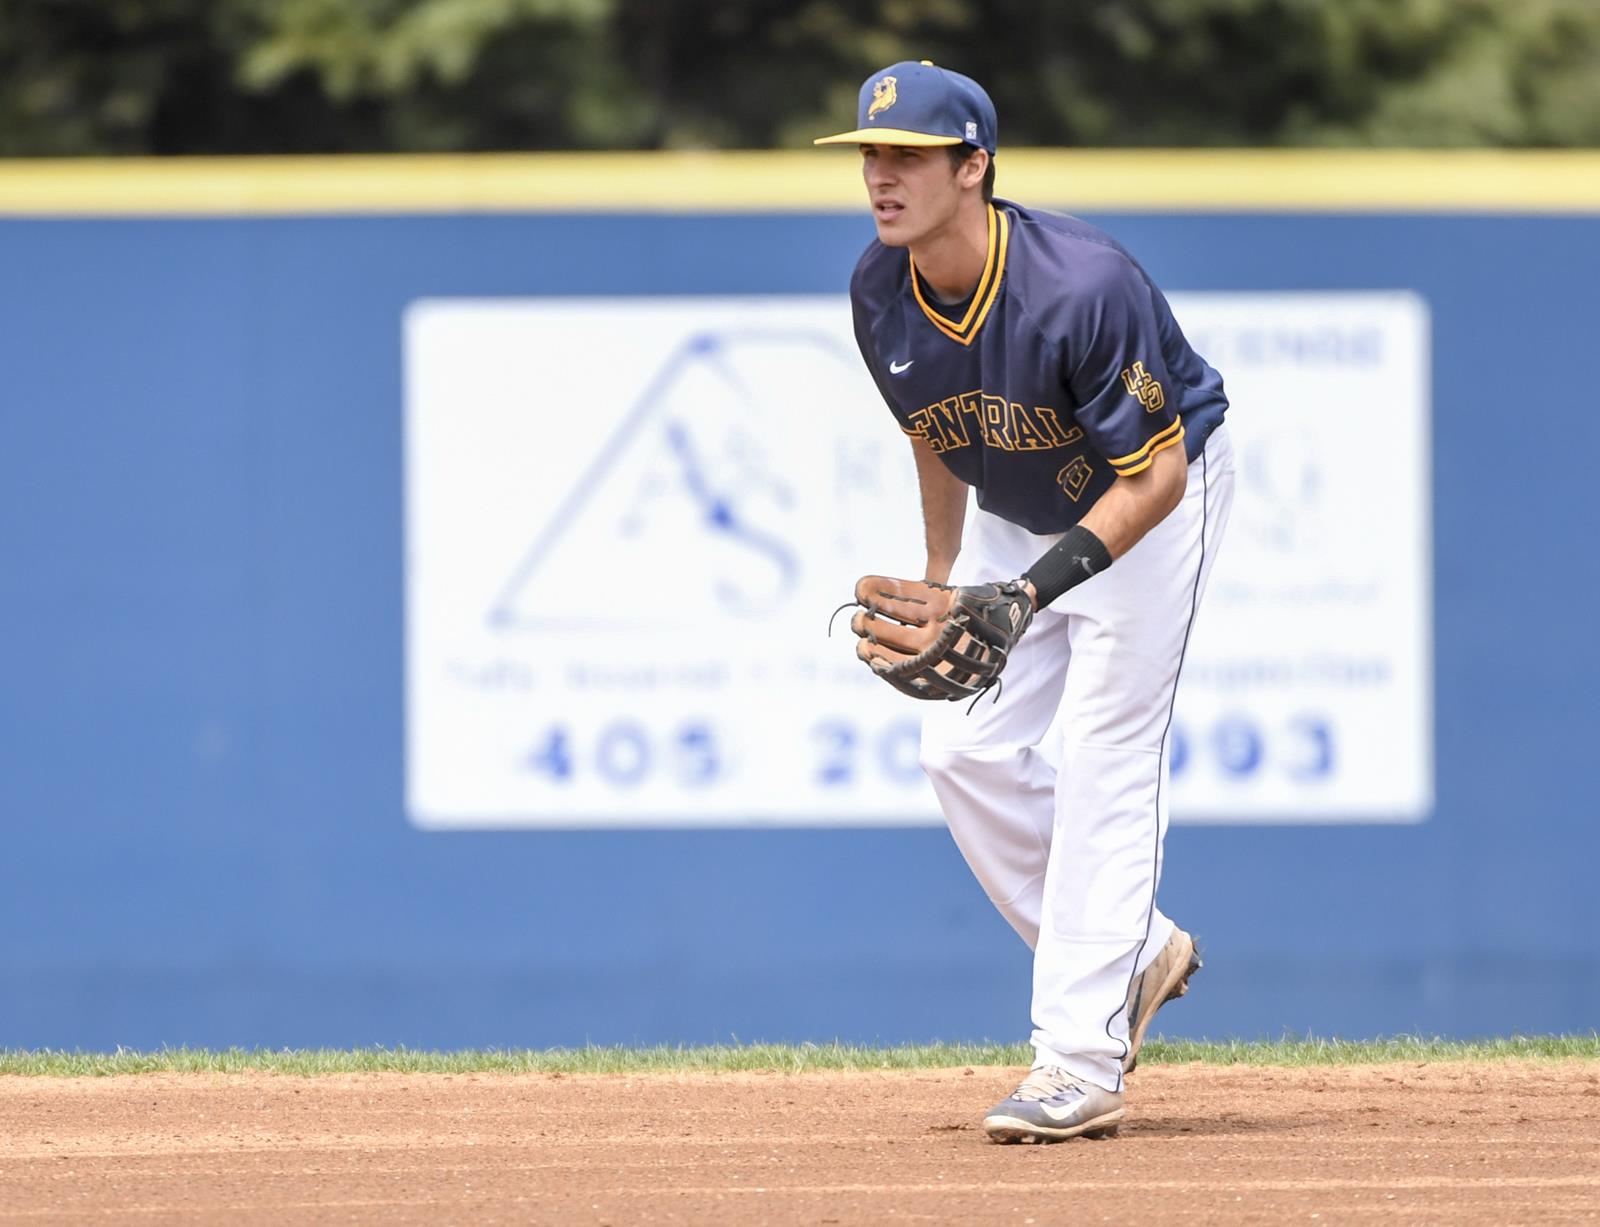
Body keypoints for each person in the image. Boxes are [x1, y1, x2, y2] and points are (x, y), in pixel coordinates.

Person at [815, 60, 1235, 1143]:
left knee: (1103, 753)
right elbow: (935, 430)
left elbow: (1152, 478)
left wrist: (1026, 596)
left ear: (973, 165)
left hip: (1146, 500)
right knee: (961, 754)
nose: (881, 175)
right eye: (869, 155)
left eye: (907, 156)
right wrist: (953, 579)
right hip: (1019, 514)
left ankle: (1078, 1063)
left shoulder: (1080, 287)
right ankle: (1133, 952)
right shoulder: (879, 288)